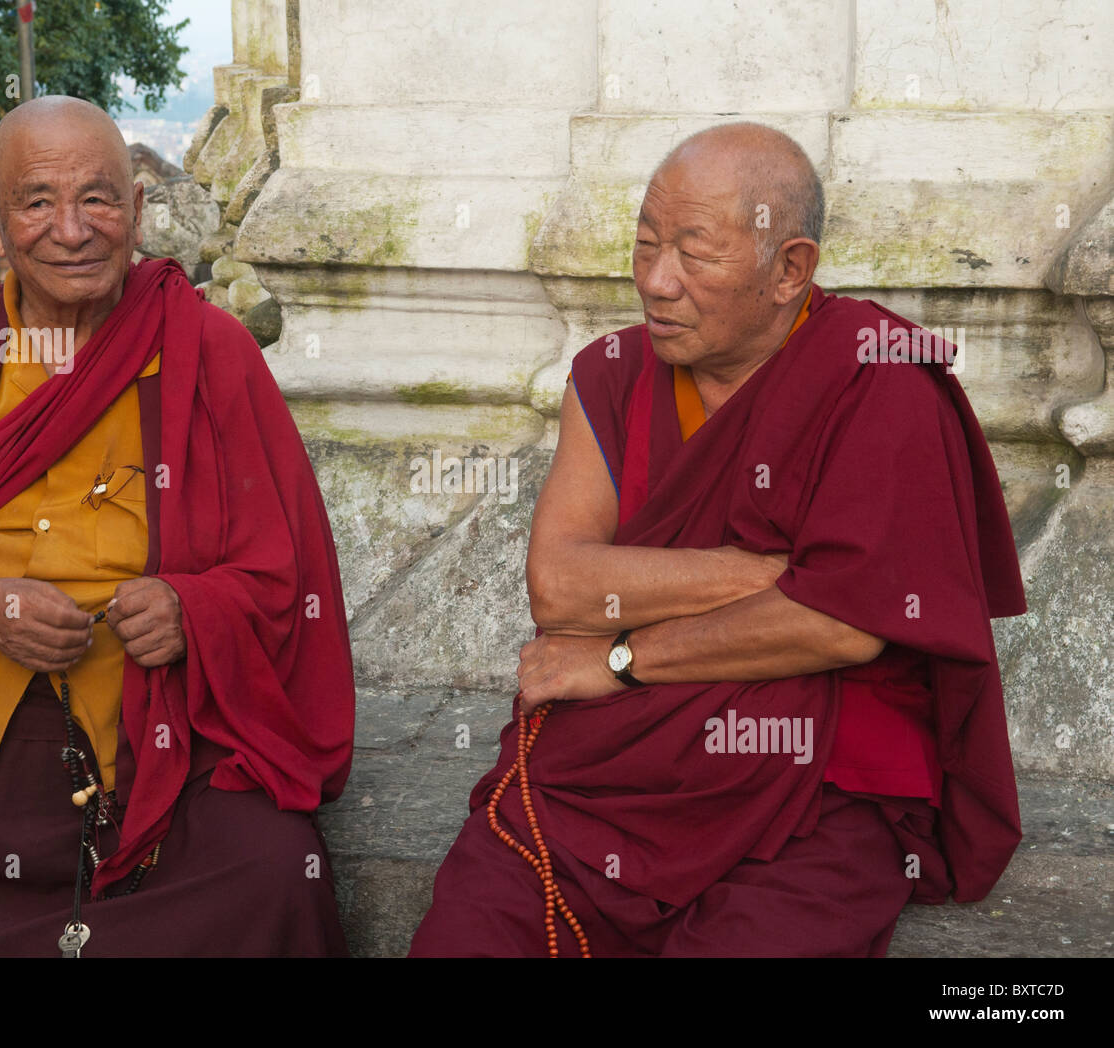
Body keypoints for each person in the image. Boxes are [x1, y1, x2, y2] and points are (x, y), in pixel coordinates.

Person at [409, 122, 1026, 958]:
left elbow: (843, 625)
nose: (658, 283)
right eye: (645, 246)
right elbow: (560, 585)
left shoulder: (875, 377)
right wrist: (761, 575)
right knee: (473, 931)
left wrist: (621, 659)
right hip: (611, 774)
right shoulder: (613, 371)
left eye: (696, 255)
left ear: (790, 270)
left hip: (813, 789)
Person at [0, 96, 355, 957]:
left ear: (138, 209)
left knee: (278, 875)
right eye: (37, 203)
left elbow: (286, 578)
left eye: (98, 199)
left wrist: (190, 609)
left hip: (155, 742)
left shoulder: (208, 351)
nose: (73, 230)